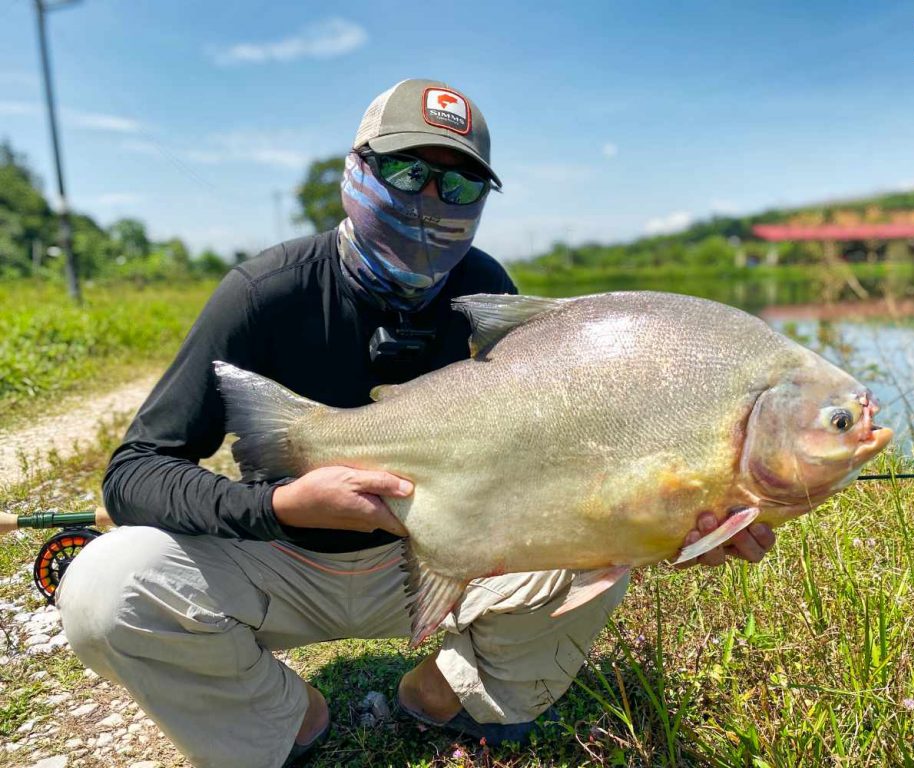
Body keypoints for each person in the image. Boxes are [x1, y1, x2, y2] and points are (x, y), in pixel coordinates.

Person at [56, 79, 777, 768]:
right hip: (281, 561)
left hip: (448, 554)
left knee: (599, 559)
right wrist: (277, 506)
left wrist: (676, 523)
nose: (433, 200)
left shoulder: (485, 290)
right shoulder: (263, 293)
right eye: (407, 172)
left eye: (461, 185)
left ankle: (443, 697)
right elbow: (135, 472)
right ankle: (288, 719)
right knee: (102, 590)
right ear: (356, 169)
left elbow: (551, 459)